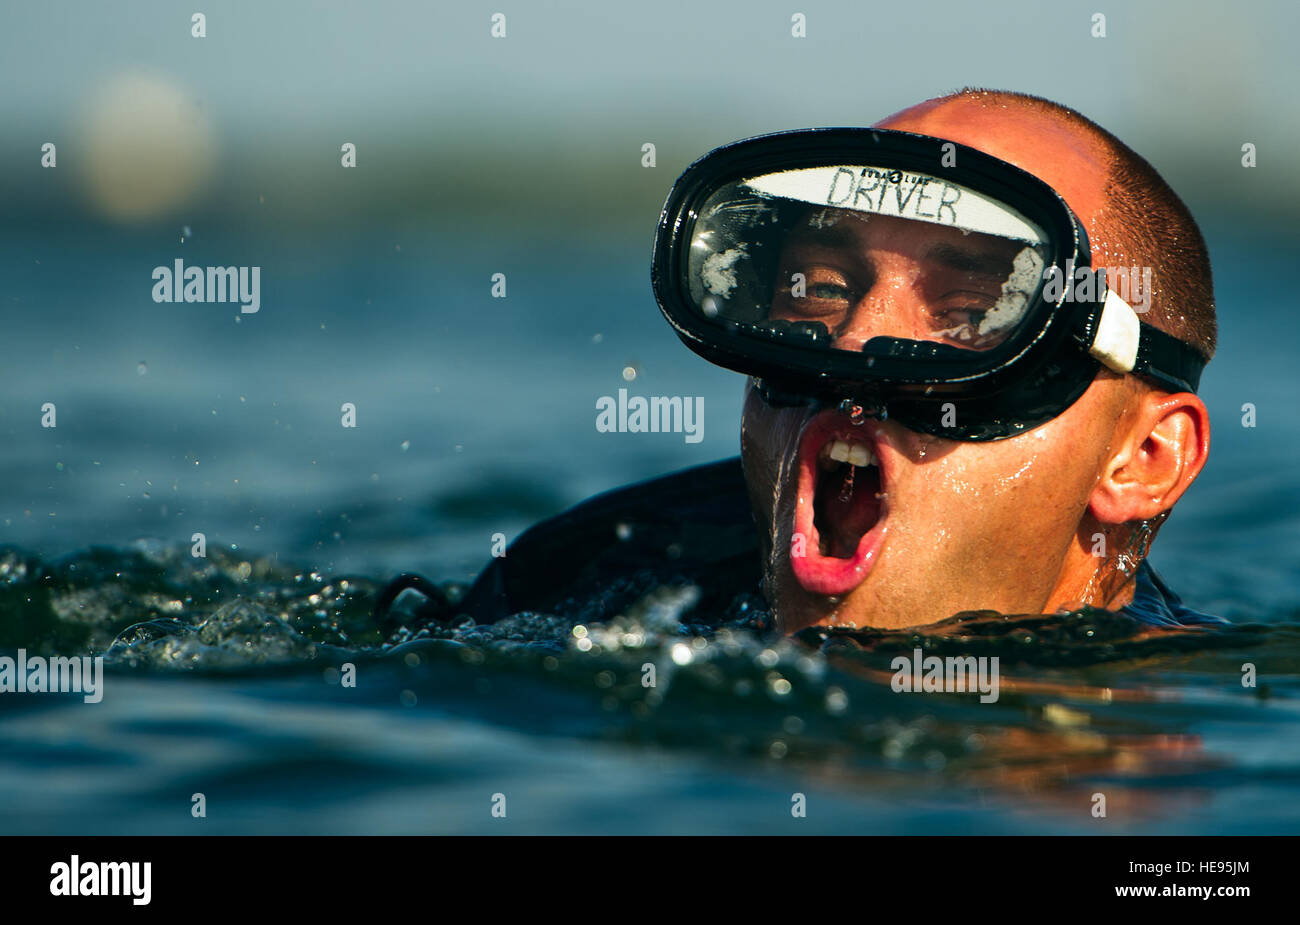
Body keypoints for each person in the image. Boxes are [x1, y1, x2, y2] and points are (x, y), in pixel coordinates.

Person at [377, 89, 1225, 637]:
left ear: (1144, 458)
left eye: (974, 314)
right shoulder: (575, 583)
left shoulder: (1203, 724)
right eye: (818, 287)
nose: (854, 342)